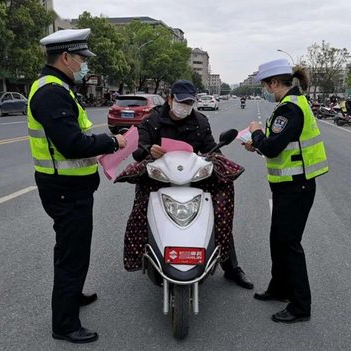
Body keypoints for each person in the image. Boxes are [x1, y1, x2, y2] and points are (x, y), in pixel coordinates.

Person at [28, 28, 127, 344]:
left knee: (75, 249)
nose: (85, 64)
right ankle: (65, 324)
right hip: (64, 189)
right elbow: (71, 143)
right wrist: (111, 141)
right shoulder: (51, 92)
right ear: (66, 57)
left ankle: (73, 295)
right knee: (71, 254)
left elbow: (77, 136)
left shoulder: (60, 88)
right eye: (82, 58)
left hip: (71, 188)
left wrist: (103, 140)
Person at [123, 79, 253, 289]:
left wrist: (213, 159)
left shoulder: (200, 121)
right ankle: (141, 257)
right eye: (181, 102)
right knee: (140, 209)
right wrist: (149, 149)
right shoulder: (153, 119)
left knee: (220, 209)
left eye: (189, 103)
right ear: (170, 98)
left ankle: (231, 267)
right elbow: (138, 150)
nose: (184, 107)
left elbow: (212, 149)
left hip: (193, 178)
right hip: (160, 178)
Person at [244, 59, 328, 323]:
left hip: (296, 187)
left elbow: (272, 147)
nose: (265, 90)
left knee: (289, 244)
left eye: (265, 85)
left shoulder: (289, 109)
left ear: (274, 83)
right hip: (288, 186)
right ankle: (279, 288)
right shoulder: (292, 104)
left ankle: (300, 306)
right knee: (277, 240)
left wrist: (257, 134)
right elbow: (277, 143)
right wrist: (257, 144)